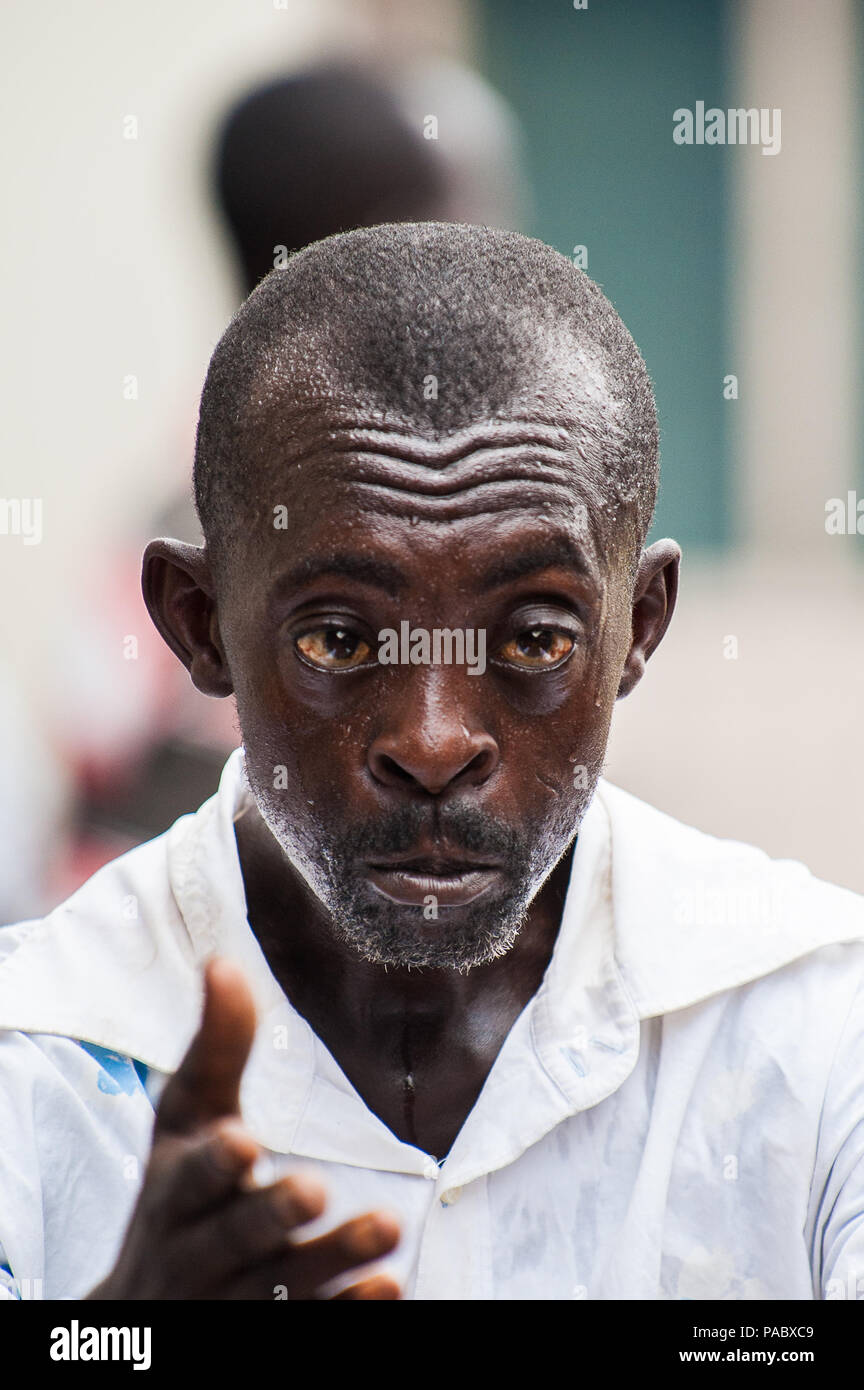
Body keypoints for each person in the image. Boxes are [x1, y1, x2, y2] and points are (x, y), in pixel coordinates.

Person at [1, 222, 863, 1301]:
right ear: (200, 625)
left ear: (638, 626)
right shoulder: (38, 1069)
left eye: (534, 639)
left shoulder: (817, 1030)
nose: (433, 739)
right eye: (340, 641)